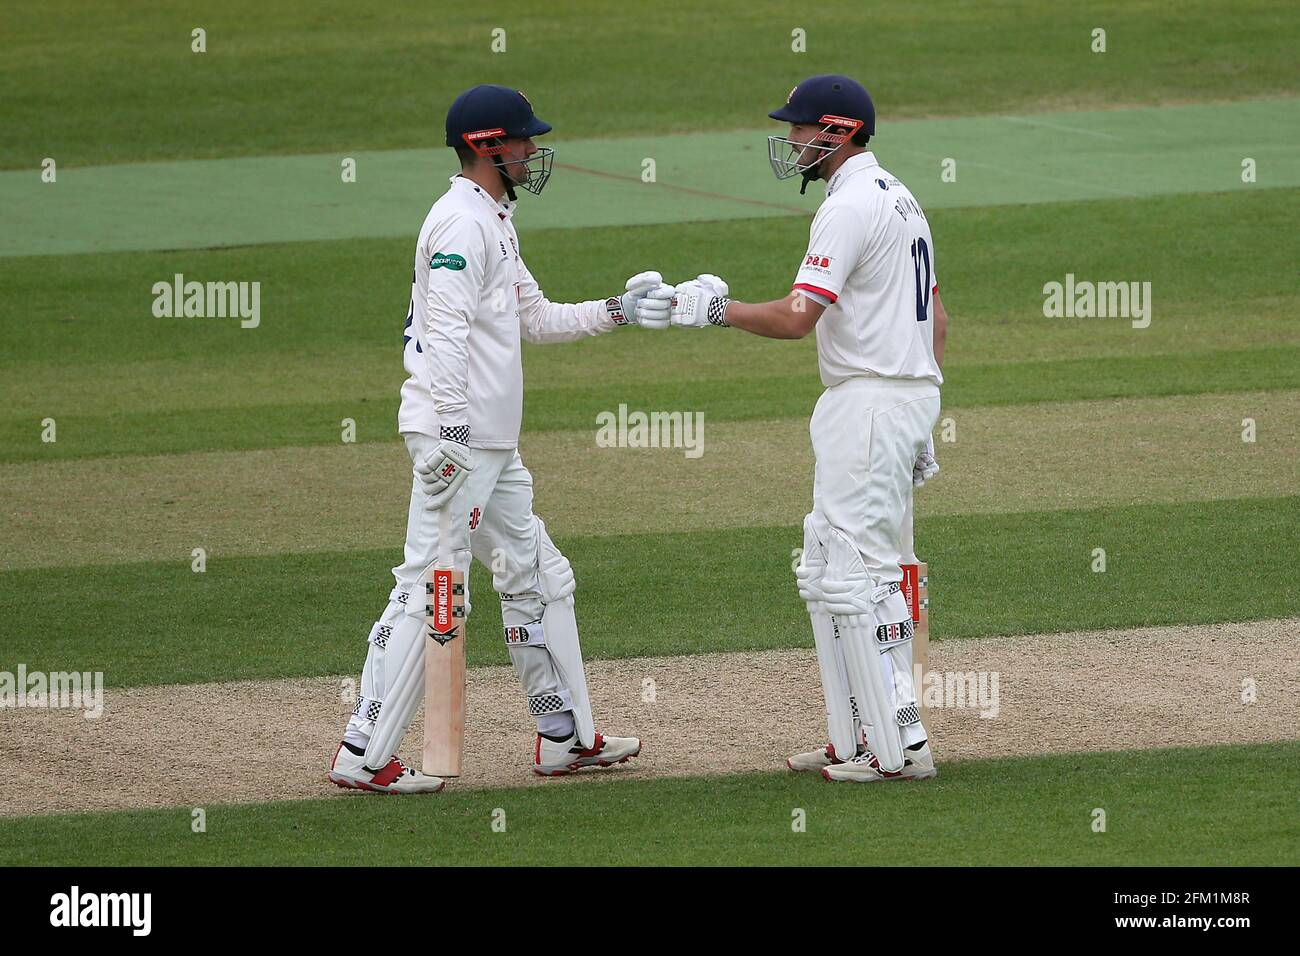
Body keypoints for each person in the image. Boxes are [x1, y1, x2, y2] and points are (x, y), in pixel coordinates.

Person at [329, 84, 673, 793]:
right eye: (522, 142)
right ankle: (363, 753)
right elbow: (446, 334)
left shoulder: (494, 218)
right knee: (430, 590)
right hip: (459, 440)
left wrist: (619, 310)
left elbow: (536, 317)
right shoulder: (460, 224)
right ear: (488, 147)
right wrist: (451, 430)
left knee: (538, 572)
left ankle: (564, 737)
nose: (532, 152)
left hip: (491, 446)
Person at [670, 75, 946, 782]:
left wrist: (715, 308)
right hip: (899, 396)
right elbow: (937, 321)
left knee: (860, 572)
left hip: (868, 403)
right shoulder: (901, 196)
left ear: (839, 130)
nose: (790, 140)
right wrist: (924, 415)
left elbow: (797, 318)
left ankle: (898, 746)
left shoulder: (850, 205)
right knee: (834, 566)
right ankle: (859, 736)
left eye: (800, 129)